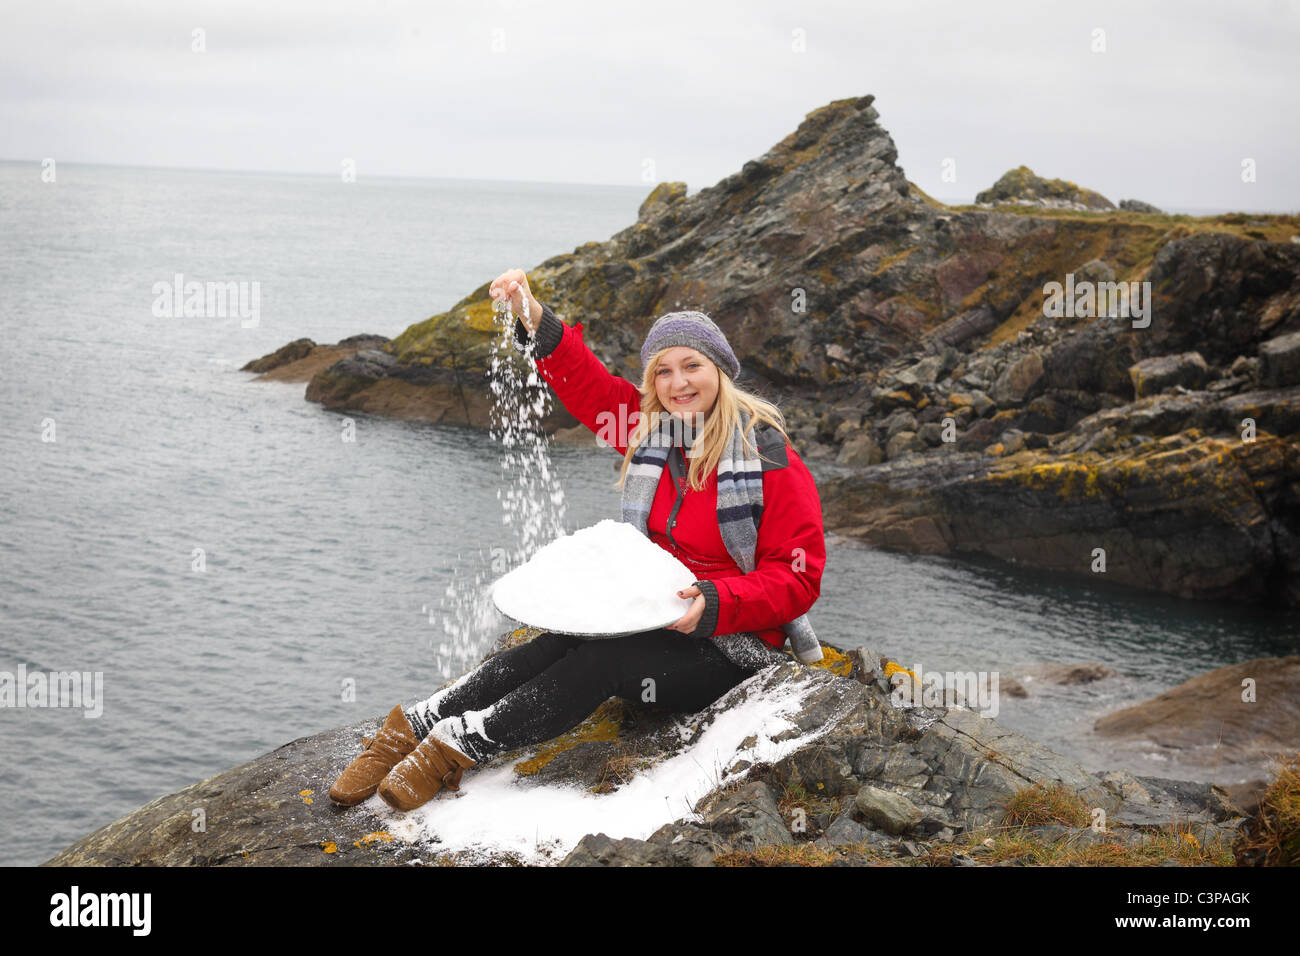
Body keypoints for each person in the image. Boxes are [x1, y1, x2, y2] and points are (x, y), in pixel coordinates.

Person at [328, 268, 827, 812]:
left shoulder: (768, 458)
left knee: (601, 663)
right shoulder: (654, 434)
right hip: (655, 613)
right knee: (557, 640)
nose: (678, 382)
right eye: (663, 371)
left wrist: (716, 603)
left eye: (692, 366)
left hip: (733, 646)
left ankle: (455, 748)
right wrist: (534, 319)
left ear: (720, 371)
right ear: (652, 383)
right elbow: (589, 389)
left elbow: (798, 577)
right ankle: (410, 728)